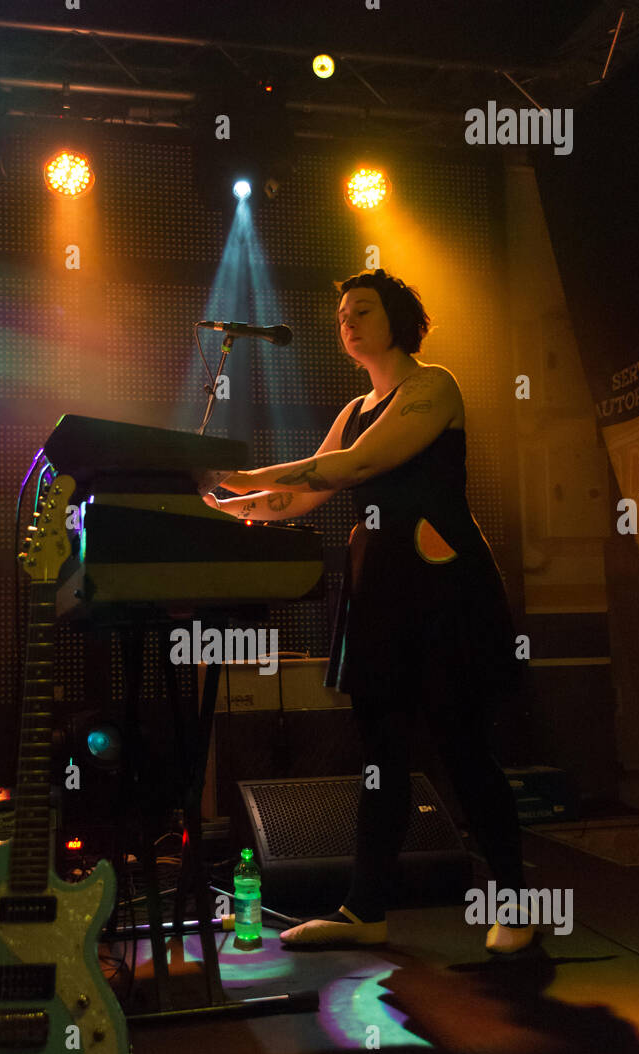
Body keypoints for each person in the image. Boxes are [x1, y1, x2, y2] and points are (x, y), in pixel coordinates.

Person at [211, 268, 535, 956]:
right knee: (380, 755)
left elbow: (350, 468)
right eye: (340, 317)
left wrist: (235, 477)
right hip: (381, 594)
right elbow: (302, 496)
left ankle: (517, 902)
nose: (347, 323)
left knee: (462, 749)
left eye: (361, 310)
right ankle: (364, 910)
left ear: (396, 319)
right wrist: (219, 508)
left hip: (444, 588)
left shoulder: (432, 386)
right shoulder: (354, 408)